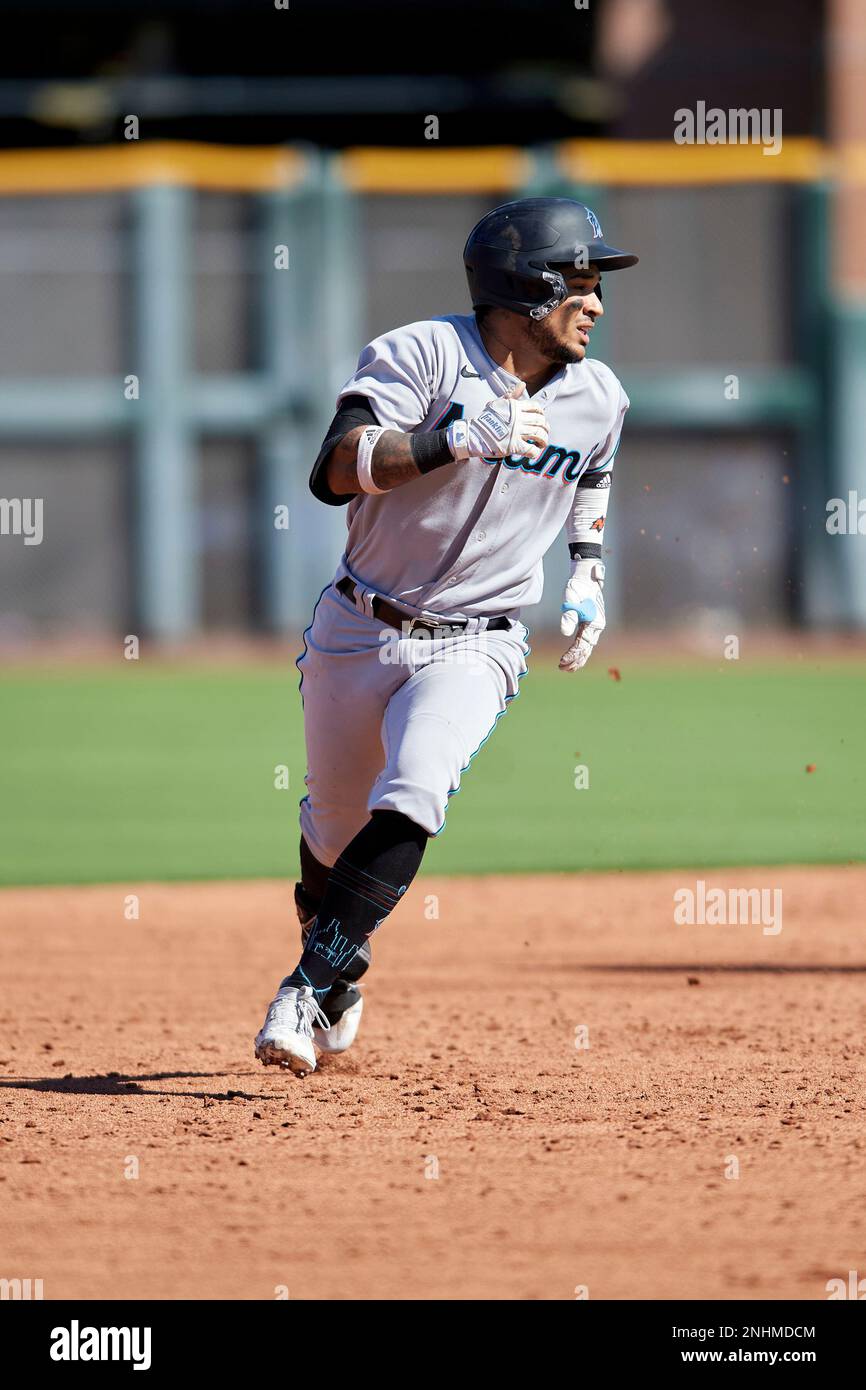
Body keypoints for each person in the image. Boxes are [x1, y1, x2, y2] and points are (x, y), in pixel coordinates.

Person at [255, 197, 638, 1073]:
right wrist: (450, 439)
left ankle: (303, 989)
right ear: (527, 285)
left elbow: (594, 476)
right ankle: (339, 967)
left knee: (418, 788)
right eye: (581, 283)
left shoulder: (600, 396)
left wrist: (587, 569)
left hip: (482, 638)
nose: (597, 304)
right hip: (361, 624)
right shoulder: (422, 353)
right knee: (332, 832)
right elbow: (334, 470)